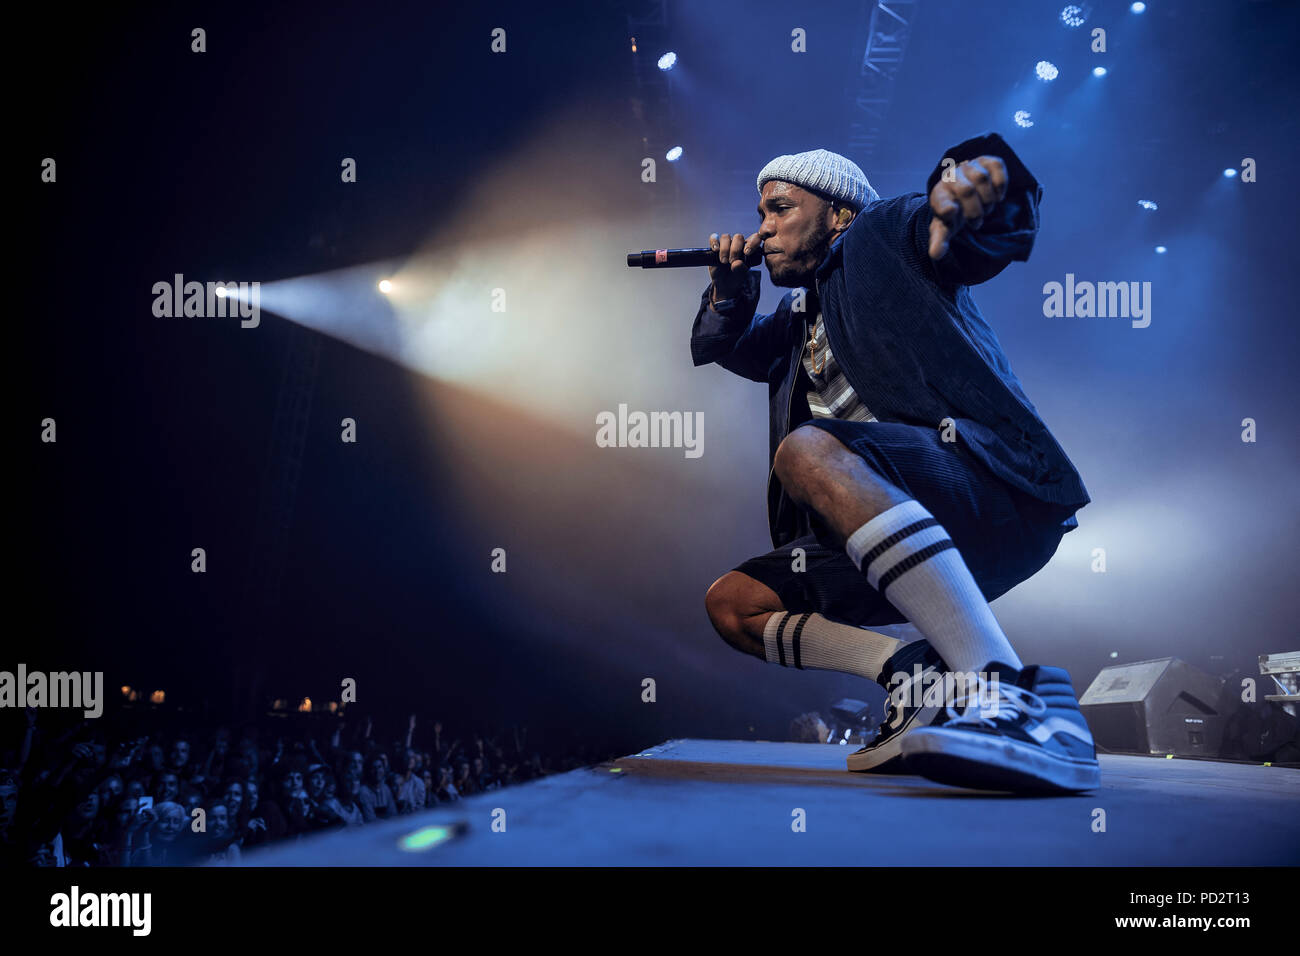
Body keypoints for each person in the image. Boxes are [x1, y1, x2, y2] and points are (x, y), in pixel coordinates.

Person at [693, 135, 1098, 793]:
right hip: (901, 532)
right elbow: (726, 350)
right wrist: (728, 286)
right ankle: (914, 673)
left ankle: (1008, 692)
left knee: (805, 449)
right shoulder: (798, 319)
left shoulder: (882, 235)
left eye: (779, 208)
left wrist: (976, 185)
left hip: (993, 490)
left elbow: (947, 226)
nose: (761, 227)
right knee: (735, 605)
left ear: (839, 215)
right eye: (760, 213)